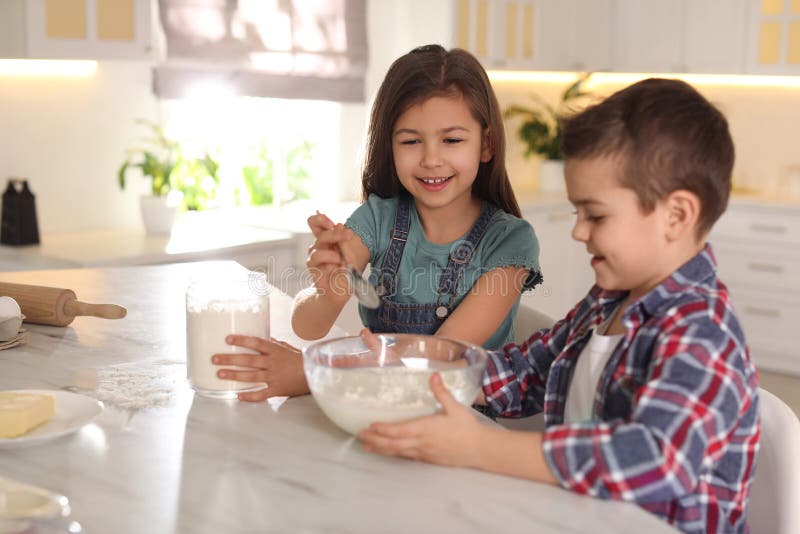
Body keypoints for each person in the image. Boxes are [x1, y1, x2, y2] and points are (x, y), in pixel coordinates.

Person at [358, 78, 760, 534]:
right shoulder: (606, 304)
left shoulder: (703, 331)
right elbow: (525, 372)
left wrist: (481, 448)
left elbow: (656, 458)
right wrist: (410, 361)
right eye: (577, 214)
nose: (579, 232)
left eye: (596, 215)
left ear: (677, 215)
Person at [212, 44, 542, 401]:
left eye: (452, 140)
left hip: (460, 419)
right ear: (390, 146)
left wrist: (314, 374)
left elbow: (439, 357)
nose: (432, 159)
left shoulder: (510, 242)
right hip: (377, 404)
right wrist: (329, 294)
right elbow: (306, 326)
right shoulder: (378, 218)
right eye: (411, 141)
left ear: (486, 144)